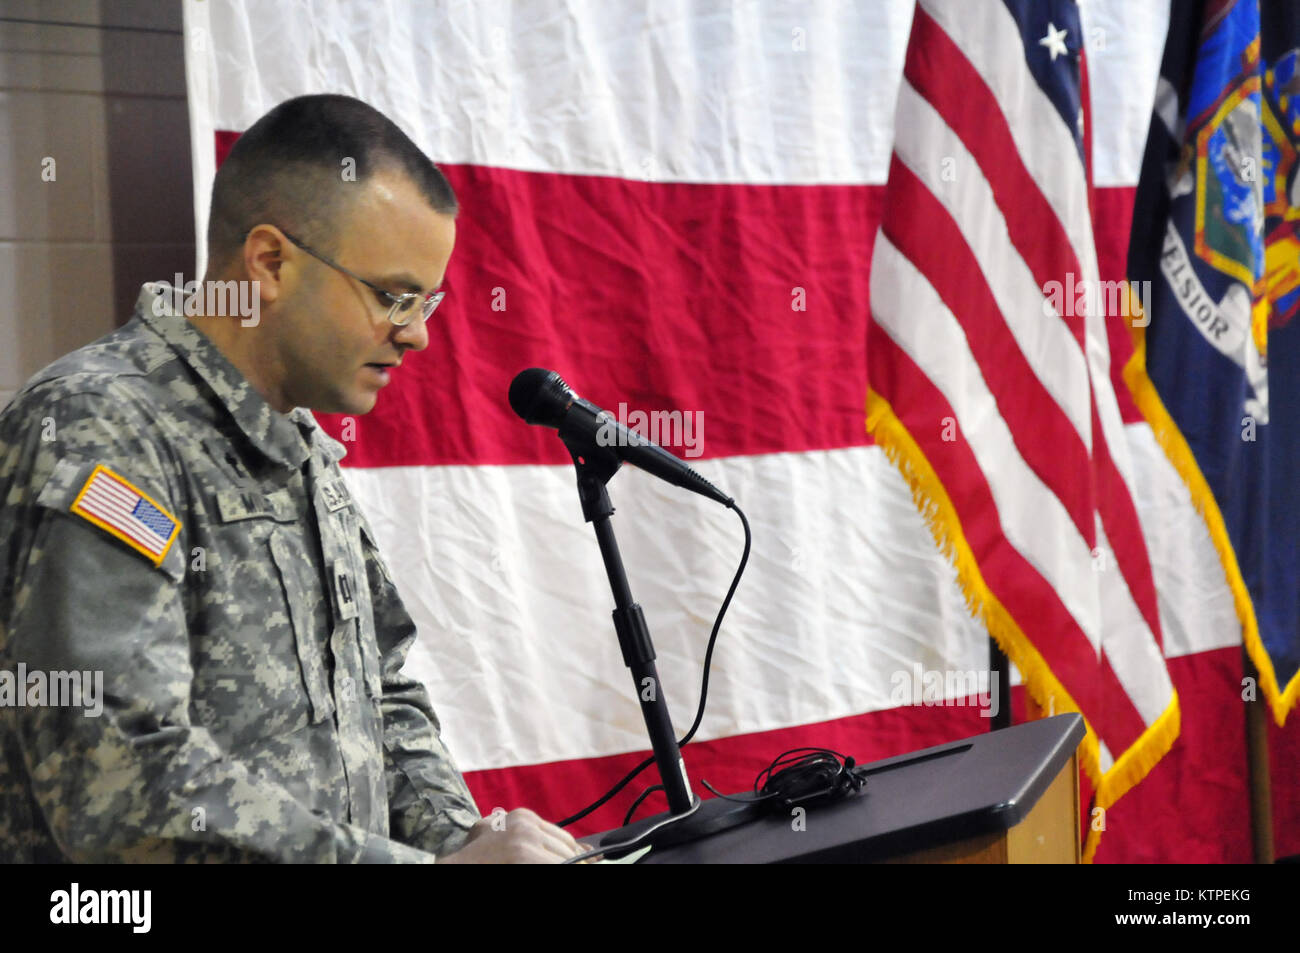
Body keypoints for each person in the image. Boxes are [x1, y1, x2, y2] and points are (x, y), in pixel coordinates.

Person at [0, 94, 586, 863]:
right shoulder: (102, 429)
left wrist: (459, 839)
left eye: (425, 300)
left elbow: (383, 695)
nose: (417, 332)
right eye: (393, 296)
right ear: (270, 263)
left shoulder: (298, 442)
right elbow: (119, 784)